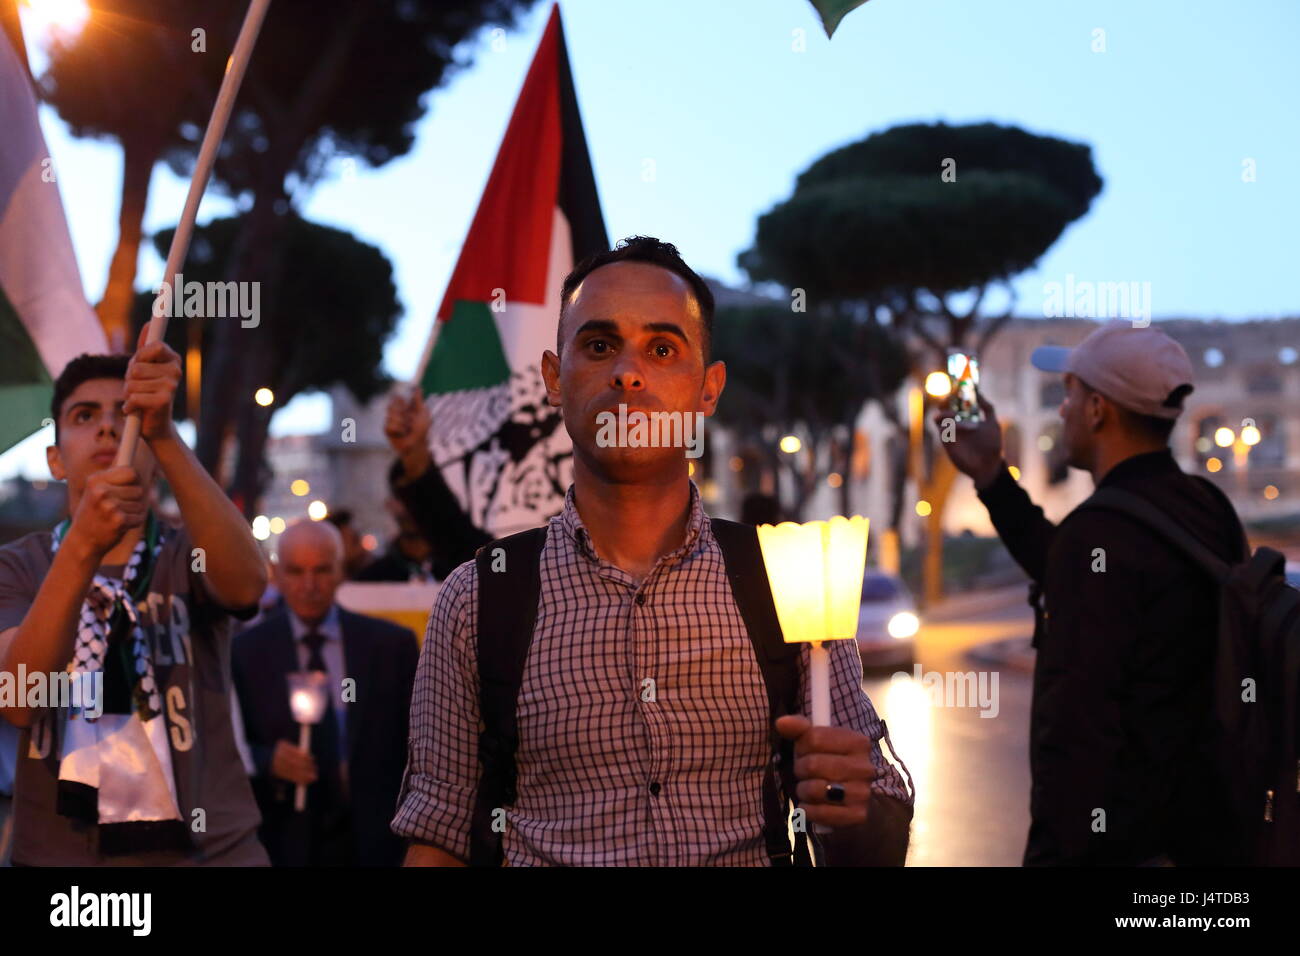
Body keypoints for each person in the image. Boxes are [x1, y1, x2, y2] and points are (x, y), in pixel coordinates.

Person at [394, 236, 914, 866]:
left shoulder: (784, 581)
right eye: (599, 345)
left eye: (662, 349)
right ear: (555, 379)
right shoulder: (477, 600)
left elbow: (876, 839)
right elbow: (437, 836)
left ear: (707, 391)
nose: (628, 372)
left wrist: (849, 806)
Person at [935, 319, 1249, 866]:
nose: (1062, 410)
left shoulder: (1100, 533)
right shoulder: (1207, 509)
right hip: (1213, 837)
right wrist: (990, 474)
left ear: (1099, 409)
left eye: (1070, 394)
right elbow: (1070, 567)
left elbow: (1077, 738)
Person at [0, 329, 269, 865]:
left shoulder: (186, 553)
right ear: (55, 460)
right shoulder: (18, 565)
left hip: (212, 853)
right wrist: (81, 547)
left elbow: (247, 584)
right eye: (83, 416)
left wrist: (164, 433)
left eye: (125, 416)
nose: (106, 427)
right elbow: (20, 698)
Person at [232, 520, 417, 866]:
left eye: (321, 570)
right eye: (296, 571)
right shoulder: (245, 653)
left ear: (341, 570)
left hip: (376, 839)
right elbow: (227, 746)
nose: (309, 586)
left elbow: (419, 743)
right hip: (283, 837)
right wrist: (265, 759)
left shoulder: (390, 646)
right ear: (276, 573)